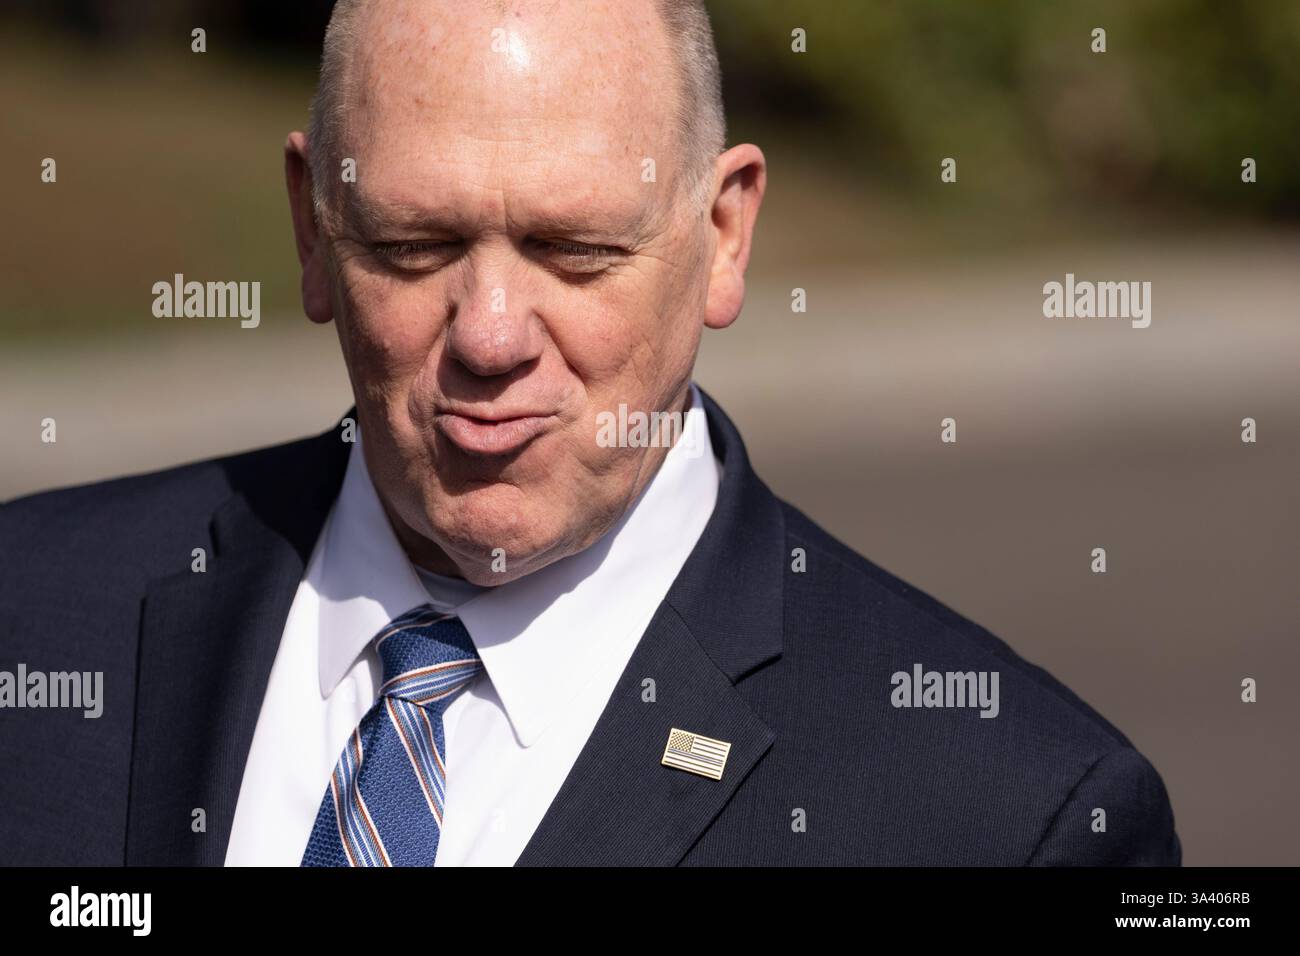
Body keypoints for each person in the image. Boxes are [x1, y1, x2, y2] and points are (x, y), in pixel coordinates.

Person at [0, 0, 1179, 866]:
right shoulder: (33, 610)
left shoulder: (1009, 816)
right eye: (413, 246)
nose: (492, 335)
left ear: (723, 234)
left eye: (576, 252)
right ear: (314, 232)